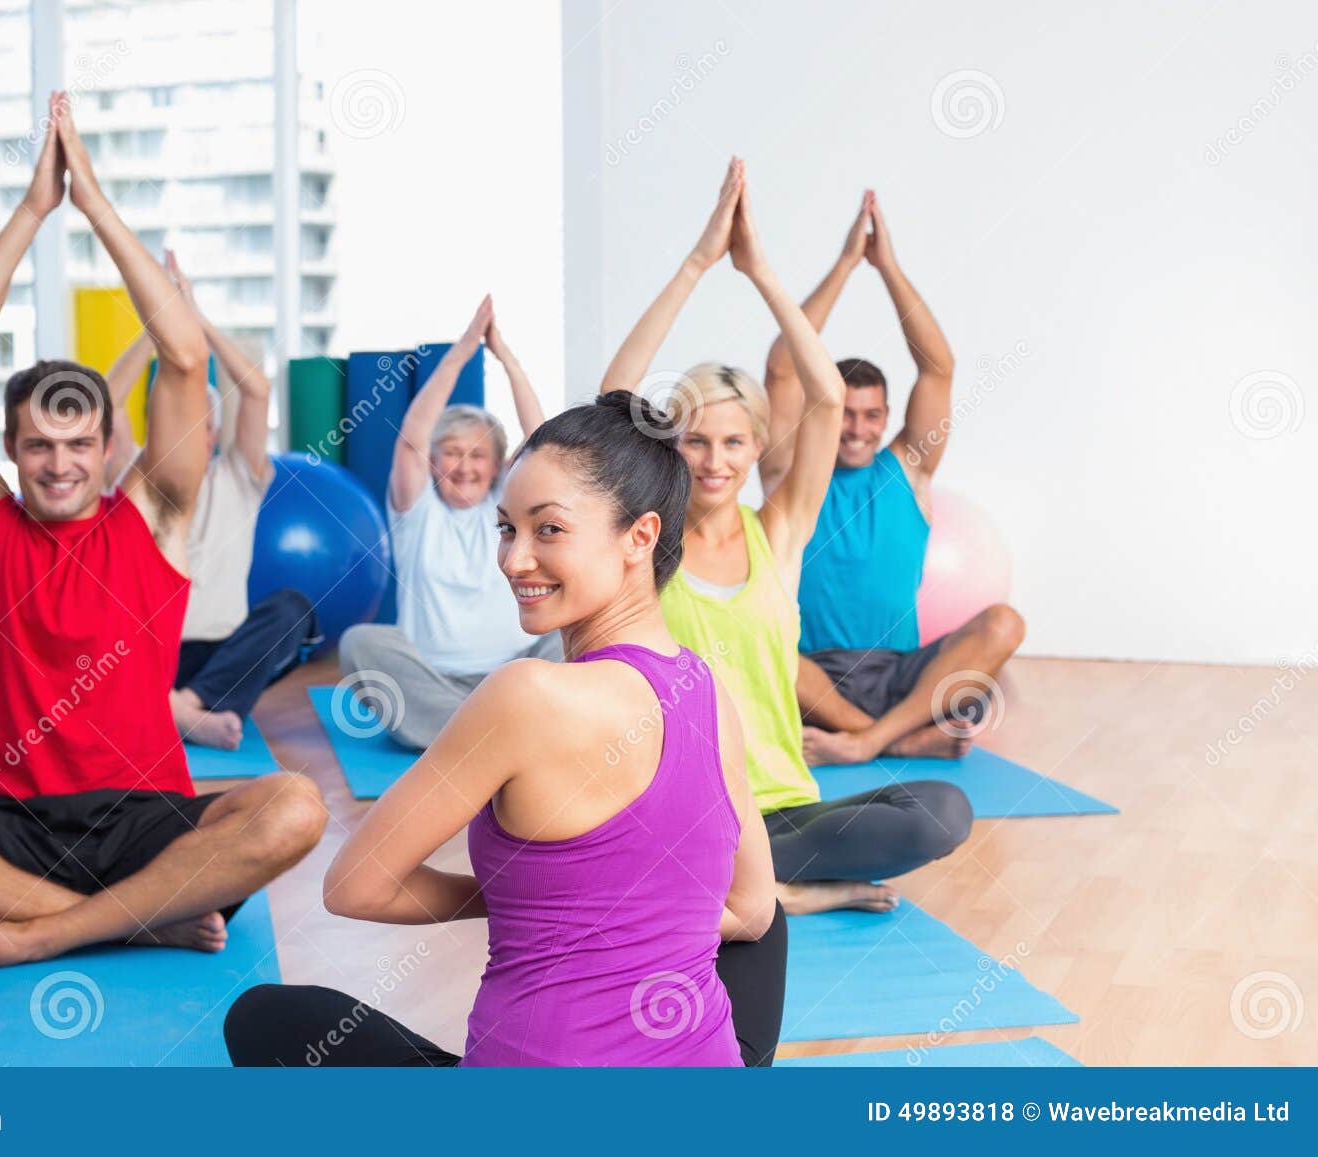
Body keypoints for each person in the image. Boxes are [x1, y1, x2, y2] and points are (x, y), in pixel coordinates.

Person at [0, 94, 327, 979]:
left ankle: (34, 933)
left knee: (295, 806)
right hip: (5, 827)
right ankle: (130, 922)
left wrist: (94, 205)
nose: (60, 464)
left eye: (78, 444)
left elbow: (181, 359)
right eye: (39, 446)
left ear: (107, 449)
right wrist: (33, 212)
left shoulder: (154, 516)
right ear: (10, 451)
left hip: (143, 817)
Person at [224, 392, 786, 1067]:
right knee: (765, 935)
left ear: (640, 536)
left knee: (266, 1016)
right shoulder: (711, 691)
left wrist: (535, 903)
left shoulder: (525, 695)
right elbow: (752, 910)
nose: (515, 559)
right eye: (506, 528)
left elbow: (355, 885)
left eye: (548, 529)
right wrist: (615, 910)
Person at [600, 159, 971, 916]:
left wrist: (763, 271)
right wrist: (702, 262)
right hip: (690, 810)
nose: (715, 460)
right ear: (670, 444)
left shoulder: (779, 529)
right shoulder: (647, 542)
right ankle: (767, 891)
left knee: (941, 811)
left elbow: (827, 394)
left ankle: (762, 888)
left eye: (735, 443)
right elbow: (615, 398)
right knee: (670, 837)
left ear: (755, 449)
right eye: (697, 440)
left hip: (781, 804)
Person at [782, 190, 1026, 766]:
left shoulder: (908, 467)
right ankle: (902, 739)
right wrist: (844, 266)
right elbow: (781, 366)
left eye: (871, 415)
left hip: (902, 675)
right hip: (813, 678)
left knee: (1005, 623)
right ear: (823, 413)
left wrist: (886, 268)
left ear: (887, 418)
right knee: (755, 646)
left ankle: (867, 740)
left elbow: (937, 367)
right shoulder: (790, 474)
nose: (857, 429)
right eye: (843, 413)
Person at [103, 251, 319, 751]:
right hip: (143, 654)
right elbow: (106, 403)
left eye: (195, 424)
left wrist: (193, 320)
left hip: (223, 653)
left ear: (215, 433)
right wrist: (159, 325)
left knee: (294, 609)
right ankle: (190, 712)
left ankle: (184, 708)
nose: (181, 434)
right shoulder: (136, 473)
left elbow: (258, 390)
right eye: (171, 424)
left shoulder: (238, 476)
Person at [338, 296, 561, 750]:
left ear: (499, 465)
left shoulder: (509, 512)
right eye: (452, 453)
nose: (464, 466)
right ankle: (500, 737)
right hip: (431, 682)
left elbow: (544, 443)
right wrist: (462, 351)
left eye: (477, 454)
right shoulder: (416, 512)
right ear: (433, 461)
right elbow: (410, 442)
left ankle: (478, 736)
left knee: (568, 632)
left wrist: (507, 359)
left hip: (512, 676)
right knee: (359, 642)